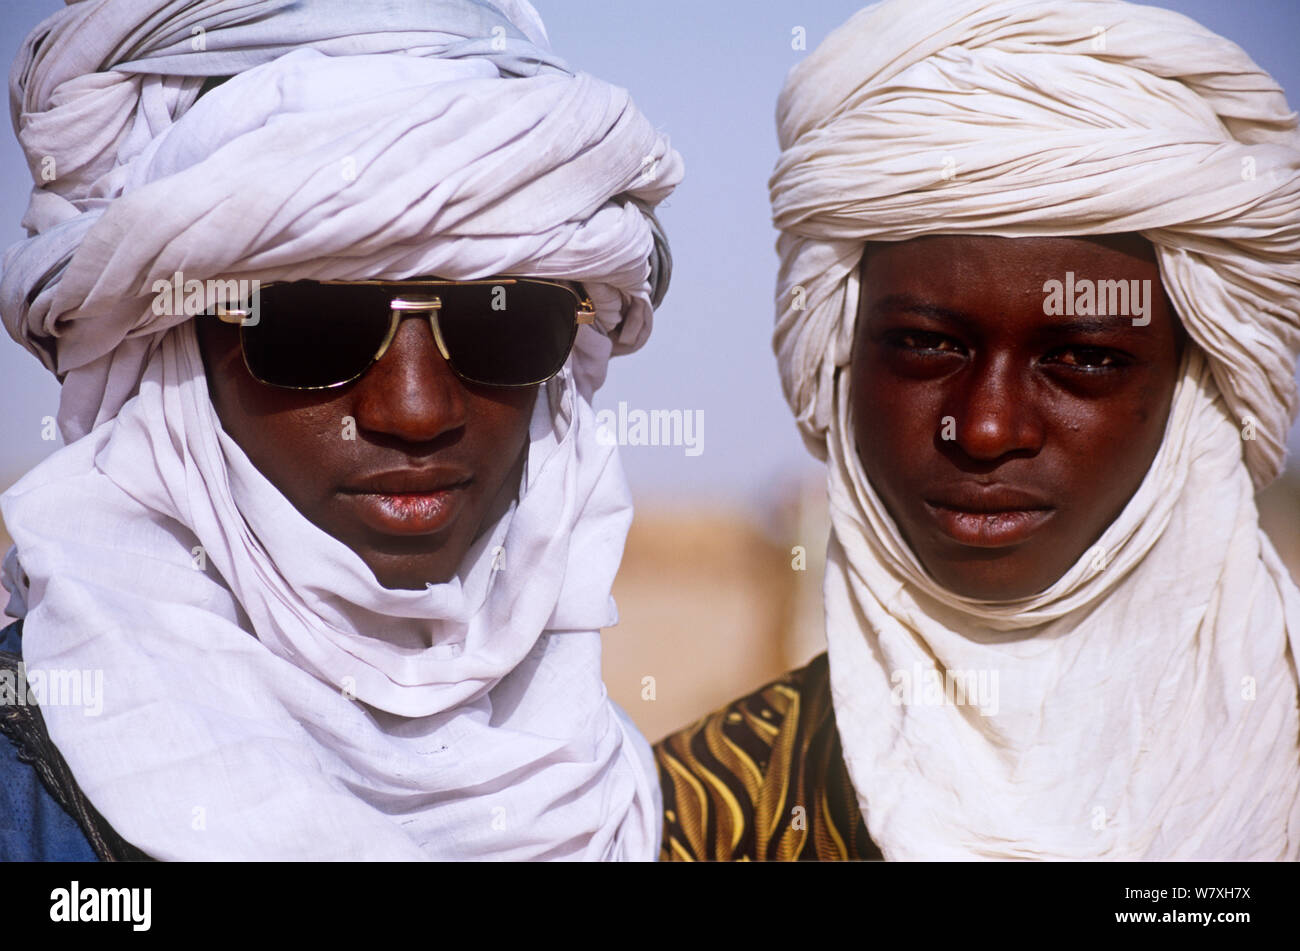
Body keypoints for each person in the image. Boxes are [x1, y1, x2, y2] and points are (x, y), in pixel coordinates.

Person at [0, 0, 682, 861]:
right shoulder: (25, 795)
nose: (415, 410)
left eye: (501, 326)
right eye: (311, 328)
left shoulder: (618, 794)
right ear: (171, 356)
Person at [655, 0, 1300, 861]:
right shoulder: (693, 815)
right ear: (839, 360)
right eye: (926, 346)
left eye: (1084, 360)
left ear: (1197, 383)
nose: (987, 426)